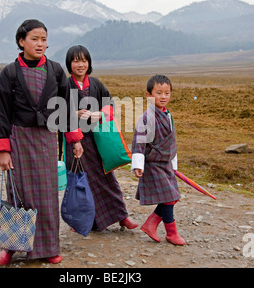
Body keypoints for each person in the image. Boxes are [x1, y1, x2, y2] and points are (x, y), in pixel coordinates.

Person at [0, 19, 83, 266]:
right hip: (18, 139)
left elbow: (66, 108)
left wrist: (74, 139)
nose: (40, 43)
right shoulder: (10, 73)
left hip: (45, 139)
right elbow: (1, 112)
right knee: (17, 191)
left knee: (45, 195)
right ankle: (11, 246)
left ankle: (49, 247)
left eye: (43, 39)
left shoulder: (55, 71)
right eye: (34, 38)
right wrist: (3, 150)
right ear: (21, 42)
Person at [63, 45, 138, 233]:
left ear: (89, 63)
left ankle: (122, 216)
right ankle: (82, 220)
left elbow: (110, 105)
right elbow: (59, 113)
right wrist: (74, 113)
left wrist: (100, 113)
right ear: (69, 64)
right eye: (76, 60)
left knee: (107, 178)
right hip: (75, 142)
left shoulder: (96, 84)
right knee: (81, 182)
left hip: (97, 141)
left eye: (84, 60)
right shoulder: (64, 86)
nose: (80, 64)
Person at [131, 74, 186, 245]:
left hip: (166, 163)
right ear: (148, 95)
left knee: (172, 196)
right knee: (169, 197)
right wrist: (138, 165)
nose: (163, 97)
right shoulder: (146, 118)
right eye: (159, 93)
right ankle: (171, 233)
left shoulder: (167, 115)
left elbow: (171, 141)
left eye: (167, 93)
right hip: (153, 164)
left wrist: (173, 163)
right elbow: (139, 141)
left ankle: (151, 223)